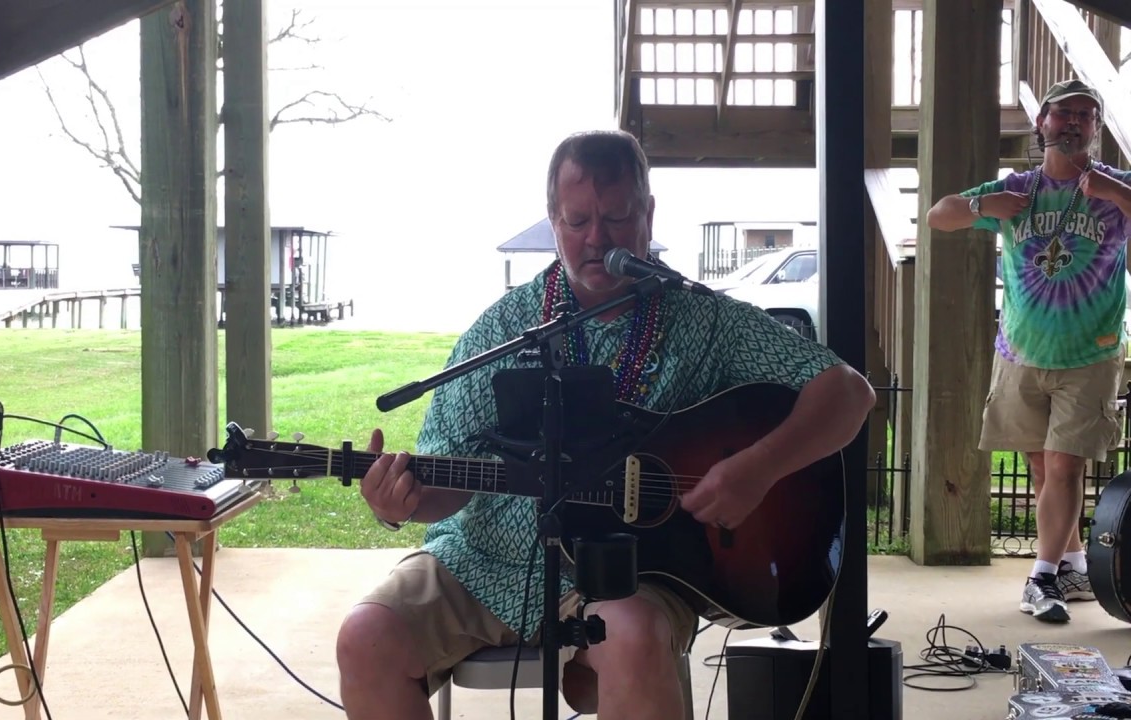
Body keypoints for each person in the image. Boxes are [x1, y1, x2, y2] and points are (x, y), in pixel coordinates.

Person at [335, 129, 876, 718]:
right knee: (365, 637)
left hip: (629, 573)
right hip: (481, 562)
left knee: (635, 637)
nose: (597, 239)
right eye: (577, 221)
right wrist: (400, 501)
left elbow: (848, 392)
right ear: (553, 220)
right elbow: (447, 479)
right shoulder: (502, 331)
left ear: (648, 214)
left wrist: (758, 467)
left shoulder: (706, 322)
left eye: (617, 217)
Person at [926, 79, 1131, 624]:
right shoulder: (1017, 189)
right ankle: (1074, 566)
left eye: (1085, 115)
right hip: (1021, 353)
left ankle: (1040, 579)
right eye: (1063, 113)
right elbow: (939, 215)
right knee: (1043, 468)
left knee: (1064, 465)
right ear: (1042, 123)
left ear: (1095, 129)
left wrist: (1114, 194)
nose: (1073, 122)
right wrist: (979, 205)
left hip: (1089, 354)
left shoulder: (1117, 187)